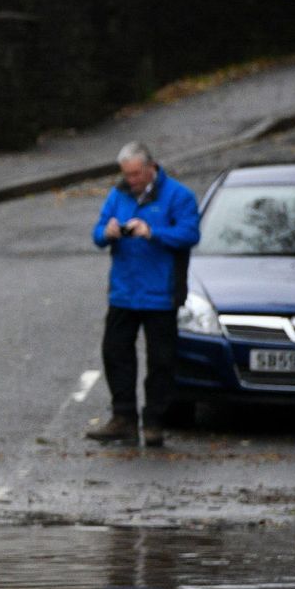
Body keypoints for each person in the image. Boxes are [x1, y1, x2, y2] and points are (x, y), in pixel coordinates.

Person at [85, 142, 199, 448]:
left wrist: (152, 232)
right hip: (124, 292)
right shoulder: (118, 194)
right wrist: (107, 232)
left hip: (161, 293)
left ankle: (154, 421)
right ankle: (123, 418)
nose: (131, 180)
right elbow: (97, 234)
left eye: (136, 174)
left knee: (161, 360)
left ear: (151, 167)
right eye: (127, 174)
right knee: (115, 353)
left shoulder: (178, 196)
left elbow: (191, 234)